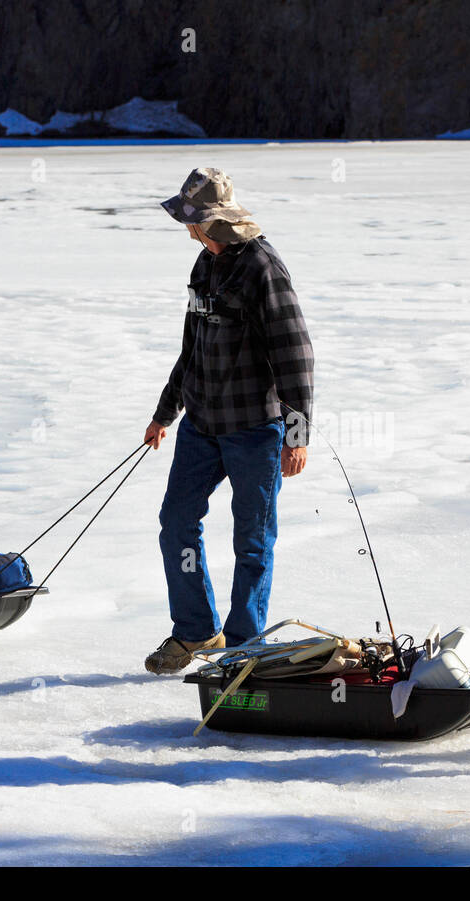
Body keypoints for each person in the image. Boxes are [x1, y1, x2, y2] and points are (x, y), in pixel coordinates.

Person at [142, 168, 314, 675]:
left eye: (191, 219)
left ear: (211, 220)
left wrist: (297, 434)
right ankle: (197, 632)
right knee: (176, 523)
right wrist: (164, 412)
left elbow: (296, 356)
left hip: (254, 429)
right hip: (201, 425)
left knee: (252, 540)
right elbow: (190, 346)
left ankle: (242, 649)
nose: (186, 228)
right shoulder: (204, 264)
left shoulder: (264, 268)